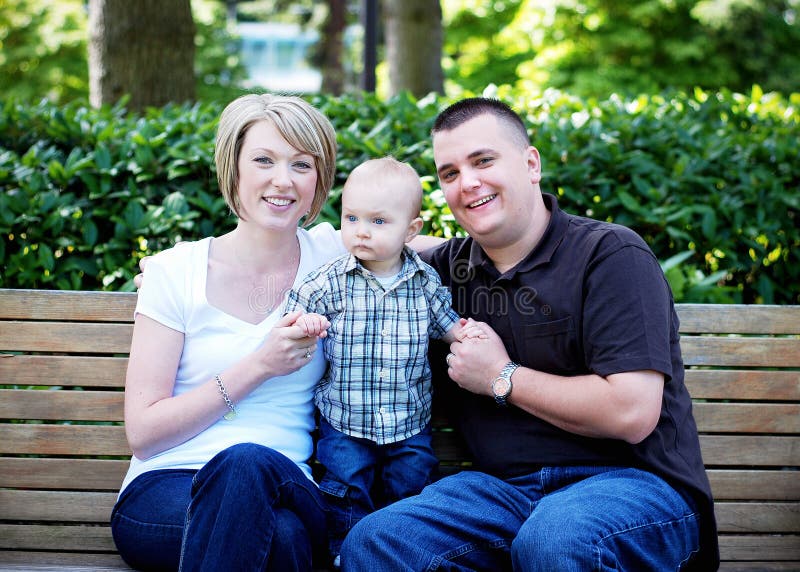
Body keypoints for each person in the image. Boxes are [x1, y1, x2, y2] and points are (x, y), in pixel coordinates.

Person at [339, 97, 719, 571]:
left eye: (483, 161)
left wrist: (502, 375)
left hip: (634, 487)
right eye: (450, 173)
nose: (467, 182)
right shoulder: (439, 274)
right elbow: (376, 240)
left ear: (531, 163)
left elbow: (631, 412)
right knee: (378, 542)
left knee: (556, 540)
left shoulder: (609, 254)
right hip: (503, 493)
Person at [111, 93, 347, 571]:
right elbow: (144, 433)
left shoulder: (336, 260)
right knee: (280, 539)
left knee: (248, 464)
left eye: (302, 165)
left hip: (284, 483)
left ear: (318, 180)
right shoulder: (176, 272)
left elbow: (418, 239)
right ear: (233, 169)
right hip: (165, 489)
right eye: (264, 160)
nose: (283, 181)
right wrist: (259, 366)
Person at [285, 157, 485, 565]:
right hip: (345, 417)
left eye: (378, 222)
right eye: (352, 217)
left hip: (408, 420)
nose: (360, 231)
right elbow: (296, 309)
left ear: (411, 231)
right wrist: (305, 322)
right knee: (345, 486)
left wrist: (464, 334)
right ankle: (344, 554)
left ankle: (401, 551)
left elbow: (444, 323)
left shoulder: (425, 281)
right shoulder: (330, 279)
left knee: (410, 484)